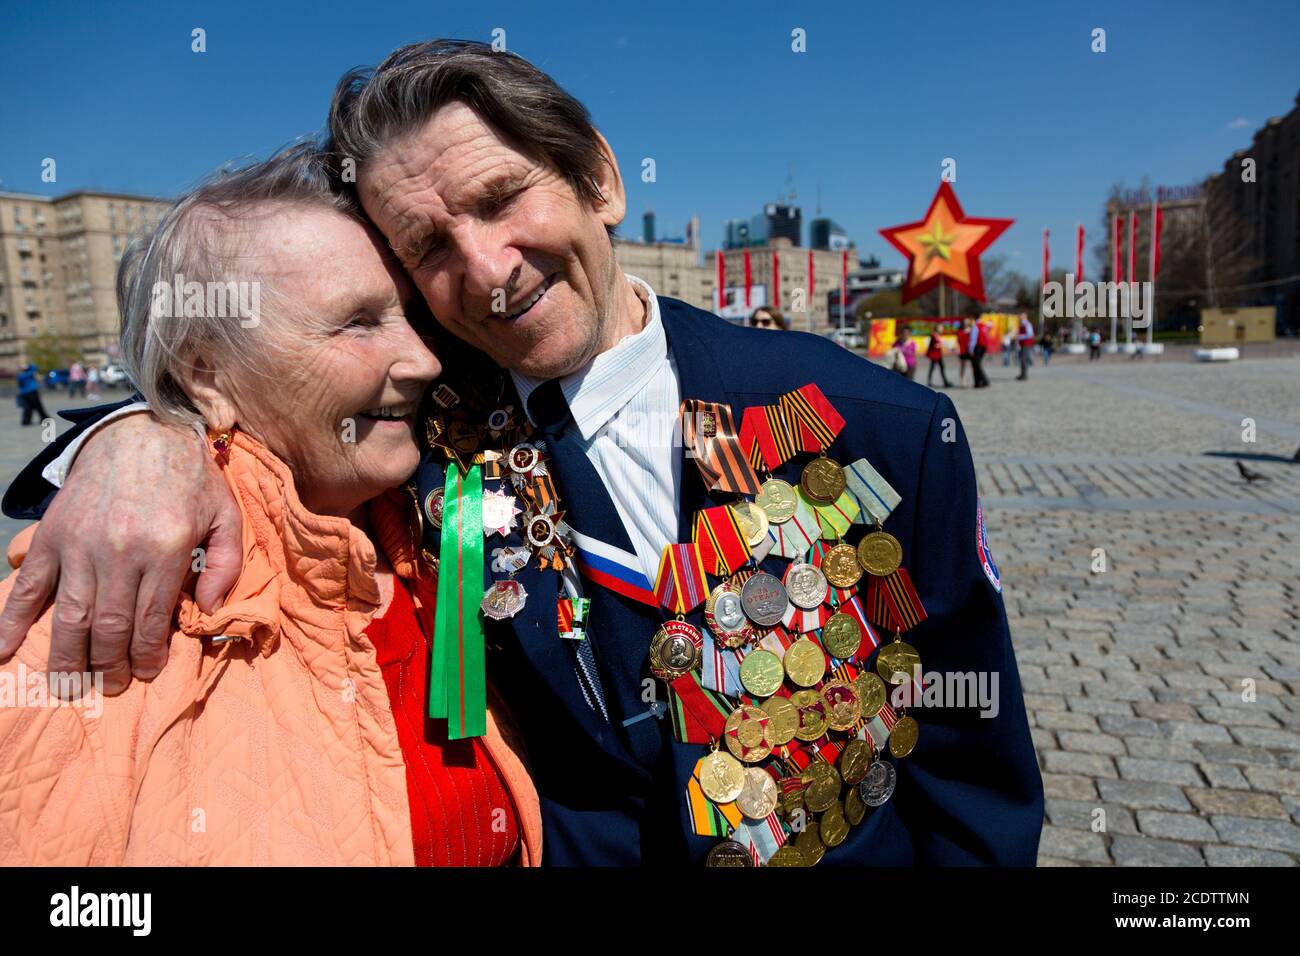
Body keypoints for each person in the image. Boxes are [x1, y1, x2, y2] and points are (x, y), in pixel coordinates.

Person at [0, 40, 1041, 867]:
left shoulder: (877, 425)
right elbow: (269, 418)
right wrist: (143, 434)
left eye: (500, 199)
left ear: (597, 176)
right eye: (427, 250)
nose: (487, 269)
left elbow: (970, 769)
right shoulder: (423, 434)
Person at [0, 145, 541, 866]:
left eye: (409, 316)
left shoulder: (441, 517)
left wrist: (126, 431)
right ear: (206, 374)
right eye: (357, 322)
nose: (424, 360)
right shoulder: (104, 602)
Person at [971, 317, 991, 388]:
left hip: (978, 346)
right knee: (977, 364)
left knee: (977, 364)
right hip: (984, 346)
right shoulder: (984, 325)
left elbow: (973, 339)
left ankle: (985, 380)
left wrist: (971, 349)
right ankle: (978, 383)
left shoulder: (975, 326)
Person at [1015, 314, 1035, 381]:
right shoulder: (1021, 324)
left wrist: (1020, 336)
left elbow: (1030, 334)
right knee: (1022, 359)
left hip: (1026, 344)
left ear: (1024, 317)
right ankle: (1022, 374)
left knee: (1024, 359)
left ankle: (1024, 375)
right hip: (1022, 344)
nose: (1019, 317)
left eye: (1021, 316)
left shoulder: (1027, 324)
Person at [956, 317, 974, 386]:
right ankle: (962, 380)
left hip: (969, 350)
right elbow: (957, 341)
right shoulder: (959, 331)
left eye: (967, 322)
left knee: (973, 366)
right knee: (963, 366)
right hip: (962, 351)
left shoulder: (971, 330)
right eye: (964, 322)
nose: (965, 323)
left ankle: (974, 379)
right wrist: (957, 350)